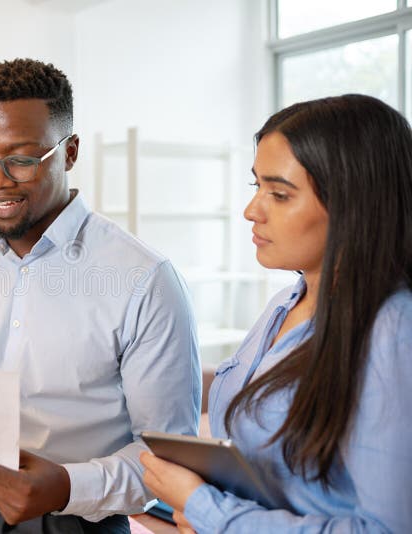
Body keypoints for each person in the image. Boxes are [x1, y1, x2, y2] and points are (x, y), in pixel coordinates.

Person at [0, 58, 201, 533]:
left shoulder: (145, 280)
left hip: (77, 521)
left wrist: (65, 486)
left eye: (21, 159)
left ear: (69, 152)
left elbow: (164, 461)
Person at [140, 94, 412, 533]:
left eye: (280, 194)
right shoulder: (285, 304)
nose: (252, 211)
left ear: (354, 204)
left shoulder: (394, 332)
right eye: (257, 187)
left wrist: (209, 511)